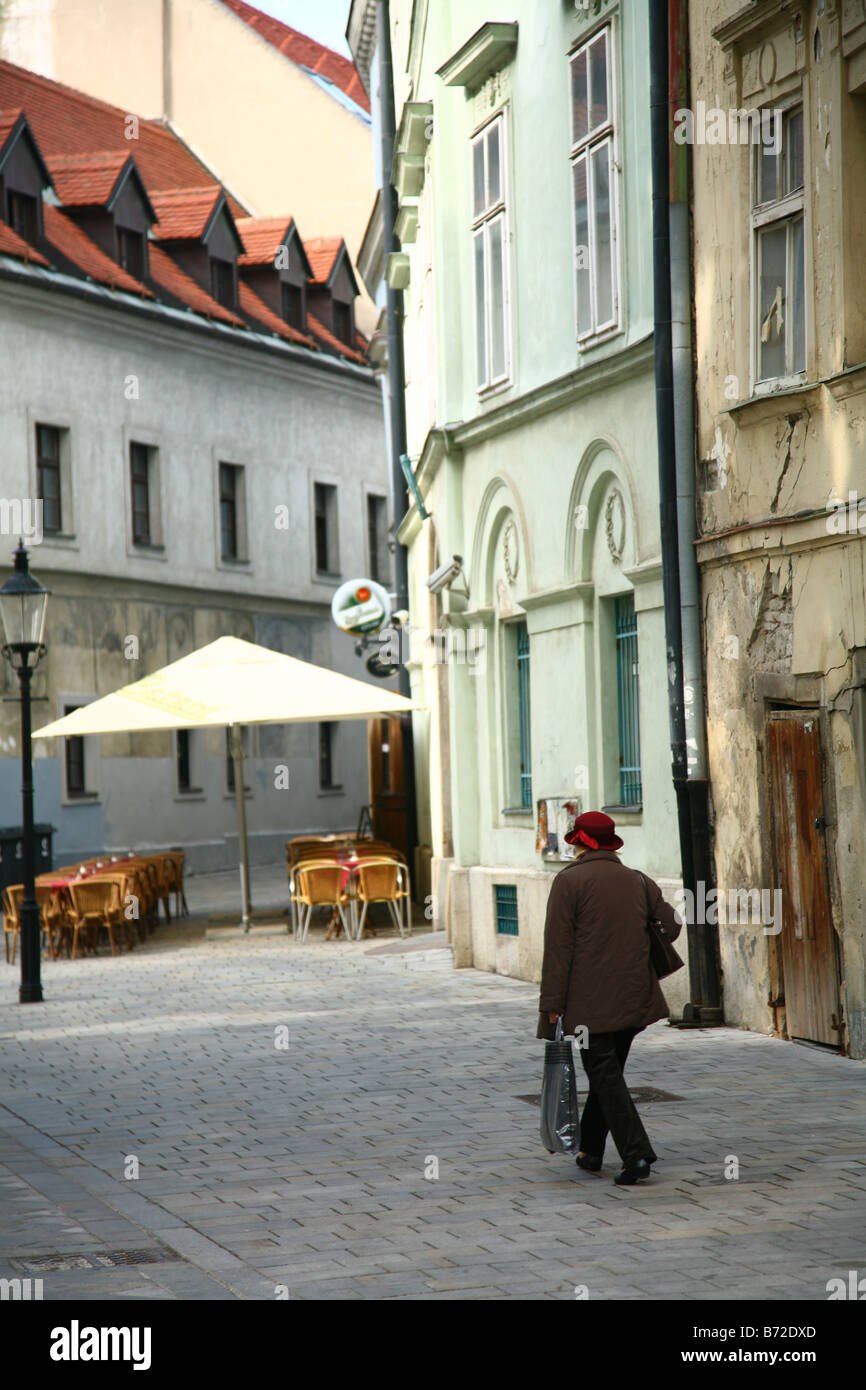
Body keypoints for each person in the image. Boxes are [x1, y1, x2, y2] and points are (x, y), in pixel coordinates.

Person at [536, 810, 682, 1185]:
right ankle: (591, 1150)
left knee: (605, 1076)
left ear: (582, 842)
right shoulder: (637, 879)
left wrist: (551, 1007)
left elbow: (558, 950)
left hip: (589, 1008)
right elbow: (672, 925)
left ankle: (637, 1155)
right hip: (635, 1000)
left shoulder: (569, 883)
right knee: (608, 1074)